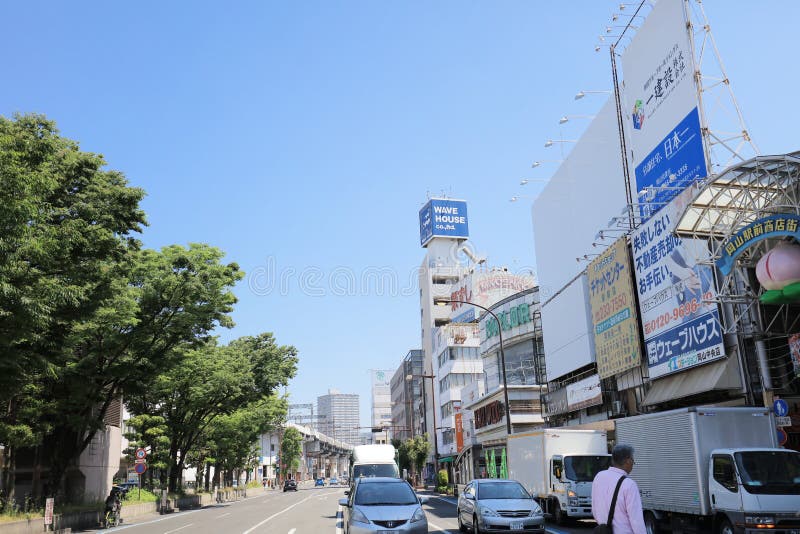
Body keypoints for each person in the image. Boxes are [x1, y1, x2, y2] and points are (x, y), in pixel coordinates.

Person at [591, 444, 646, 534]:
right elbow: (636, 520)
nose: (633, 463)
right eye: (633, 460)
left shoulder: (599, 477)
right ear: (628, 461)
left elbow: (594, 509)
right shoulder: (629, 484)